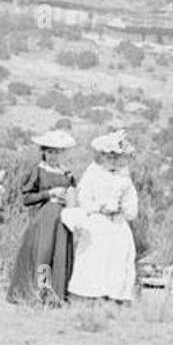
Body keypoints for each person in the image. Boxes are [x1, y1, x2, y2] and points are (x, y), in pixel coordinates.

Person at [63, 129, 139, 303]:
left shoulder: (124, 179)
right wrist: (99, 207)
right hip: (98, 221)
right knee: (95, 257)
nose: (112, 160)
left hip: (117, 223)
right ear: (102, 157)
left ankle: (114, 296)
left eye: (115, 157)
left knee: (118, 258)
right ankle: (91, 296)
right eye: (108, 157)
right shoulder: (93, 174)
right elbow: (83, 198)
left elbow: (131, 206)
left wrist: (122, 209)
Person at [7, 129, 77, 305]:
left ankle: (58, 295)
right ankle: (40, 292)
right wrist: (49, 193)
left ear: (62, 153)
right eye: (50, 152)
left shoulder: (67, 174)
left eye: (57, 152)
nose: (53, 156)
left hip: (62, 221)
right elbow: (26, 198)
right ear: (44, 152)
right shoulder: (38, 171)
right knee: (43, 255)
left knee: (60, 255)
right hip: (44, 221)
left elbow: (74, 196)